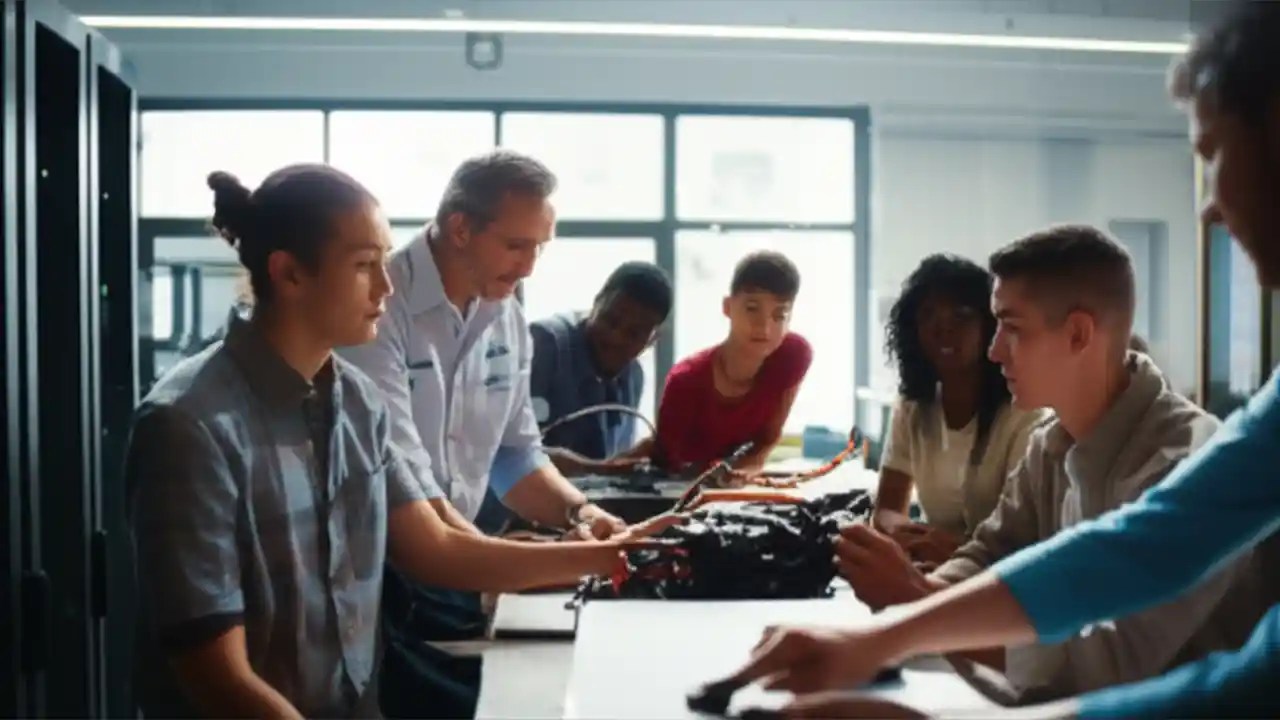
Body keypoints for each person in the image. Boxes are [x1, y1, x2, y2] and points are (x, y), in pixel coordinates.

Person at [717, 4, 1280, 715]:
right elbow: (1115, 555)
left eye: (1213, 155)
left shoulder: (1177, 450)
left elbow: (1146, 665)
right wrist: (886, 635)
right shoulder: (1055, 443)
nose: (1208, 209)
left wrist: (907, 614)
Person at [127, 166, 671, 719]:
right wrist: (596, 557)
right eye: (366, 266)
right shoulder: (188, 425)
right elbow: (218, 679)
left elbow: (432, 545)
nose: (386, 289)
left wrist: (608, 551)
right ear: (289, 274)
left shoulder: (357, 401)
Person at [834, 226, 1268, 703]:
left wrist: (915, 606)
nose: (994, 350)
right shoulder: (1050, 445)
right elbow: (989, 554)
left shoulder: (1182, 462)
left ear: (1078, 334)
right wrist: (920, 596)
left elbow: (1102, 666)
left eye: (1012, 328)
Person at [335, 150, 642, 717]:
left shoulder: (506, 314)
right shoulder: (377, 309)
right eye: (517, 246)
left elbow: (515, 455)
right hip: (387, 574)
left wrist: (580, 515)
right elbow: (411, 491)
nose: (529, 267)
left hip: (458, 564)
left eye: (540, 248)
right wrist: (564, 558)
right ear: (460, 229)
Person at [870, 254, 1048, 567]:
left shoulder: (1025, 412)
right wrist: (904, 534)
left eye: (961, 316)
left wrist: (956, 551)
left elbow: (1031, 541)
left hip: (1000, 579)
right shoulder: (913, 406)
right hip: (929, 570)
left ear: (990, 326)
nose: (943, 329)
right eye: (928, 316)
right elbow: (887, 508)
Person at [626, 250, 813, 475]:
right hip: (678, 479)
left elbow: (767, 438)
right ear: (727, 307)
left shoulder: (793, 355)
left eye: (779, 315)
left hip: (731, 480)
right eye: (752, 309)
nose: (764, 327)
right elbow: (667, 463)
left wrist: (744, 472)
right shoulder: (685, 380)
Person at [530, 260, 673, 477]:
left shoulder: (634, 375)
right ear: (596, 302)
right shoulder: (545, 345)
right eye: (610, 320)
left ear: (653, 339)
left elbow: (608, 468)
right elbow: (509, 452)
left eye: (634, 334)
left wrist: (629, 462)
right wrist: (601, 469)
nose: (616, 338)